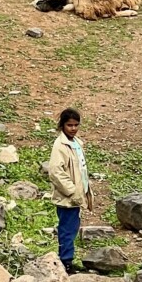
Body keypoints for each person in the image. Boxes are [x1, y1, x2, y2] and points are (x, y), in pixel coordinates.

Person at [47, 107, 92, 273]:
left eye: (76, 125)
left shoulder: (76, 143)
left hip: (76, 195)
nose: (73, 128)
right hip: (68, 197)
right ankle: (65, 261)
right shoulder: (60, 146)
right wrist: (72, 190)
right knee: (67, 229)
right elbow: (55, 171)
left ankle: (68, 259)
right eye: (69, 125)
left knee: (72, 228)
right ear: (62, 126)